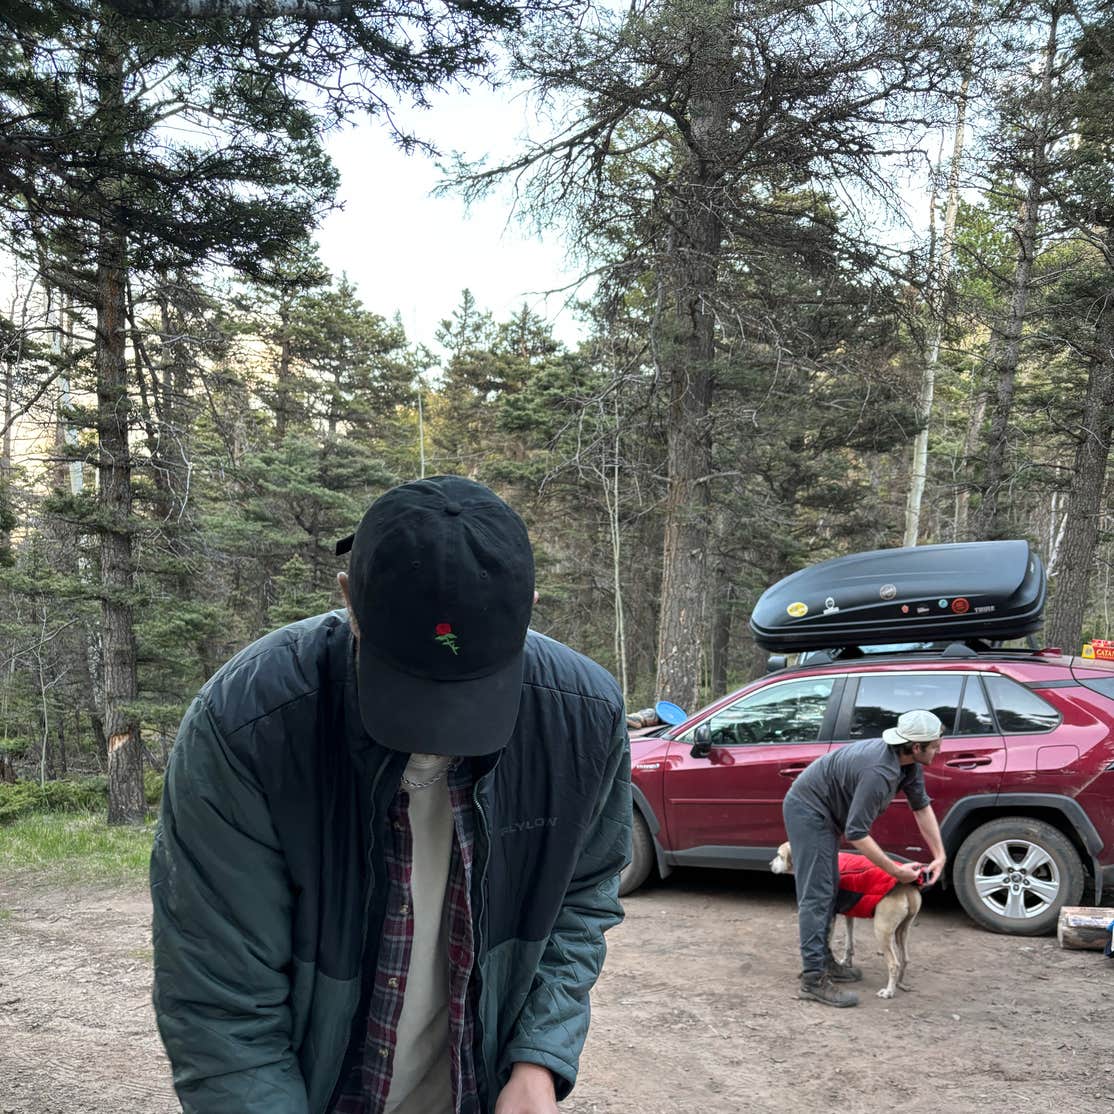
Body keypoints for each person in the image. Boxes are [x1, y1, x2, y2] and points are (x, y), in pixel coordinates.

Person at [150, 475, 632, 1114]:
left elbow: (581, 898)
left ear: (530, 607)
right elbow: (221, 999)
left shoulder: (584, 718)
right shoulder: (248, 725)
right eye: (413, 684)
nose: (440, 732)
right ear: (348, 599)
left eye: (467, 689)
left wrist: (539, 1059)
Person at [781, 707, 946, 1007]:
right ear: (916, 746)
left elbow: (921, 807)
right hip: (808, 810)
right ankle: (813, 979)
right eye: (935, 744)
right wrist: (896, 873)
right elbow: (857, 833)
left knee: (830, 885)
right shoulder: (879, 772)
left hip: (828, 812)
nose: (939, 749)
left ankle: (824, 960)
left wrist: (940, 855)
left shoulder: (908, 765)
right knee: (817, 893)